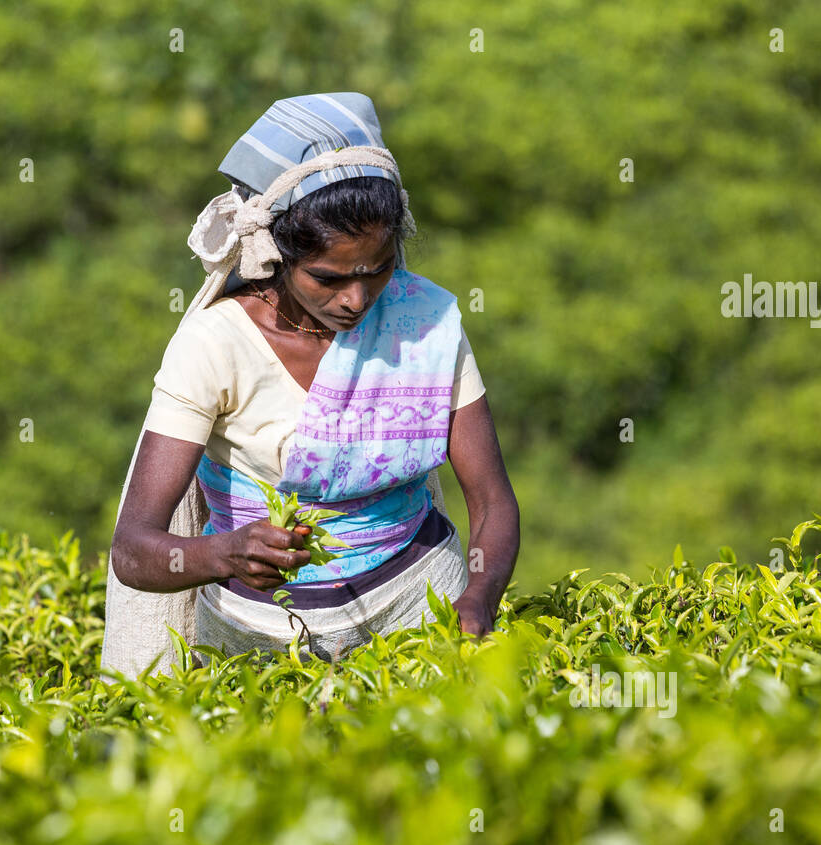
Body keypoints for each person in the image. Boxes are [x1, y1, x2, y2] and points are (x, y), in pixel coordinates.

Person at [102, 92, 519, 679]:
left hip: (421, 603)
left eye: (377, 270)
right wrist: (225, 552)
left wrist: (477, 597)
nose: (355, 299)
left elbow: (493, 499)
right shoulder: (215, 346)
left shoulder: (420, 321)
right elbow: (133, 550)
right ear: (274, 252)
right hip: (257, 639)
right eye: (327, 277)